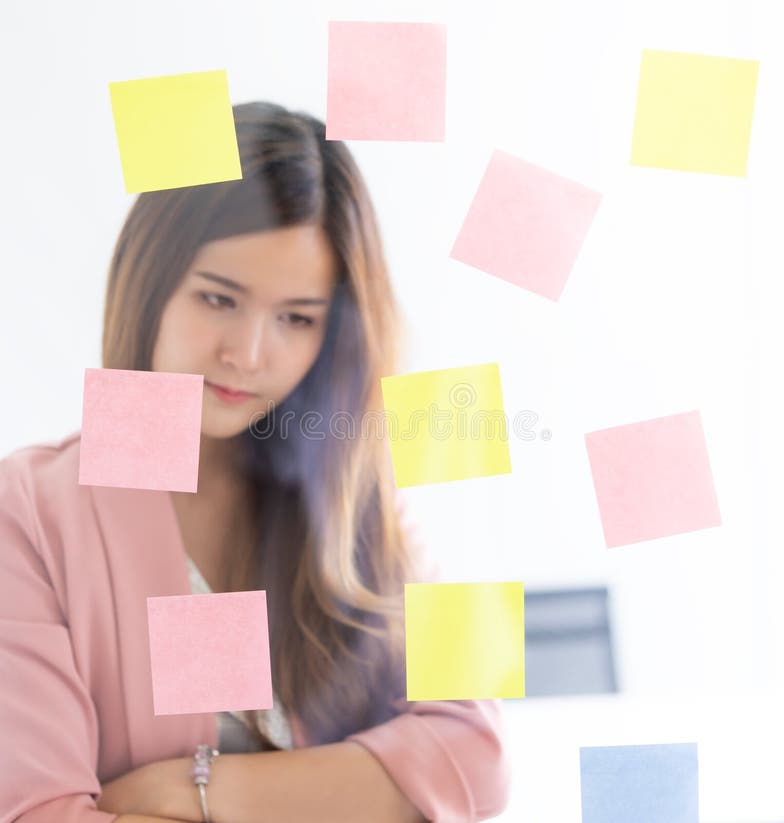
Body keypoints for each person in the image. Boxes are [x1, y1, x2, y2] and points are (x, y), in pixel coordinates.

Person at [0, 102, 511, 823]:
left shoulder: (366, 493)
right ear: (149, 283)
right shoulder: (28, 509)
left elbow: (480, 752)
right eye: (218, 299)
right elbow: (38, 812)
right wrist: (361, 790)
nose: (247, 354)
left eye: (296, 317)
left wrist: (197, 790)